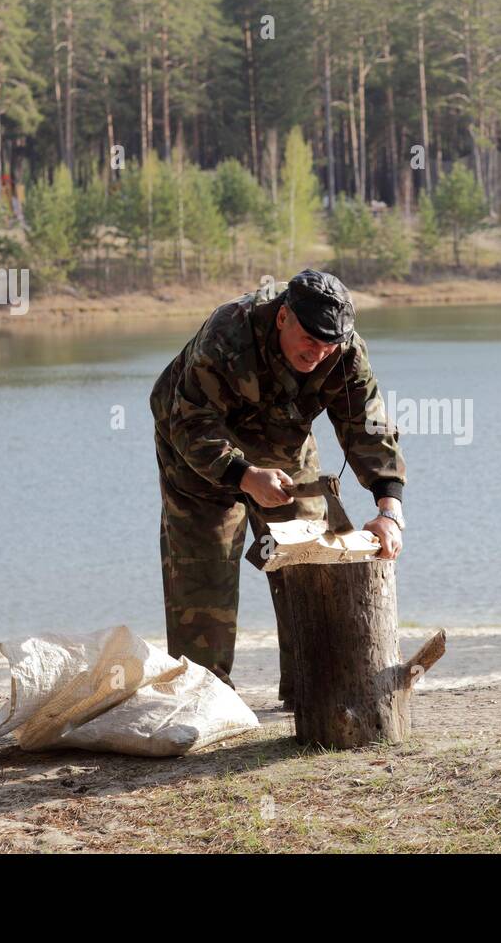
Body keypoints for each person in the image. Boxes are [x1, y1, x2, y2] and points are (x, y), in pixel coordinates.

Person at [150, 269, 406, 704]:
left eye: (329, 344)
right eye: (311, 339)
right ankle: (204, 700)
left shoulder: (342, 350)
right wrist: (244, 476)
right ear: (284, 317)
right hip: (198, 450)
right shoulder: (229, 333)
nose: (319, 352)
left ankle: (312, 691)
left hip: (285, 446)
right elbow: (190, 423)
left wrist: (389, 509)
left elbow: (367, 426)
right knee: (204, 576)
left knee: (309, 562)